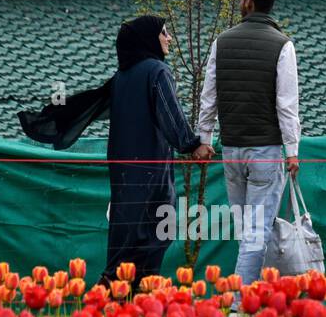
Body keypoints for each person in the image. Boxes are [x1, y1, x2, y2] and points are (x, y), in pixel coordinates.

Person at [18, 16, 212, 288]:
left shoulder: (122, 77)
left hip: (123, 172)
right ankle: (113, 299)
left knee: (125, 241)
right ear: (147, 38)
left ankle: (120, 307)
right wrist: (192, 145)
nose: (169, 39)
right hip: (151, 171)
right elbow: (170, 116)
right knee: (156, 236)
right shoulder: (157, 71)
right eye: (164, 33)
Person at [197, 0, 301, 294]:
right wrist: (292, 148)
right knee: (255, 233)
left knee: (249, 232)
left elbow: (209, 98)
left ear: (247, 1)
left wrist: (204, 140)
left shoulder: (221, 42)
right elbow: (287, 105)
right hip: (266, 153)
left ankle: (258, 299)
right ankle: (240, 307)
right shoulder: (283, 46)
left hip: (231, 150)